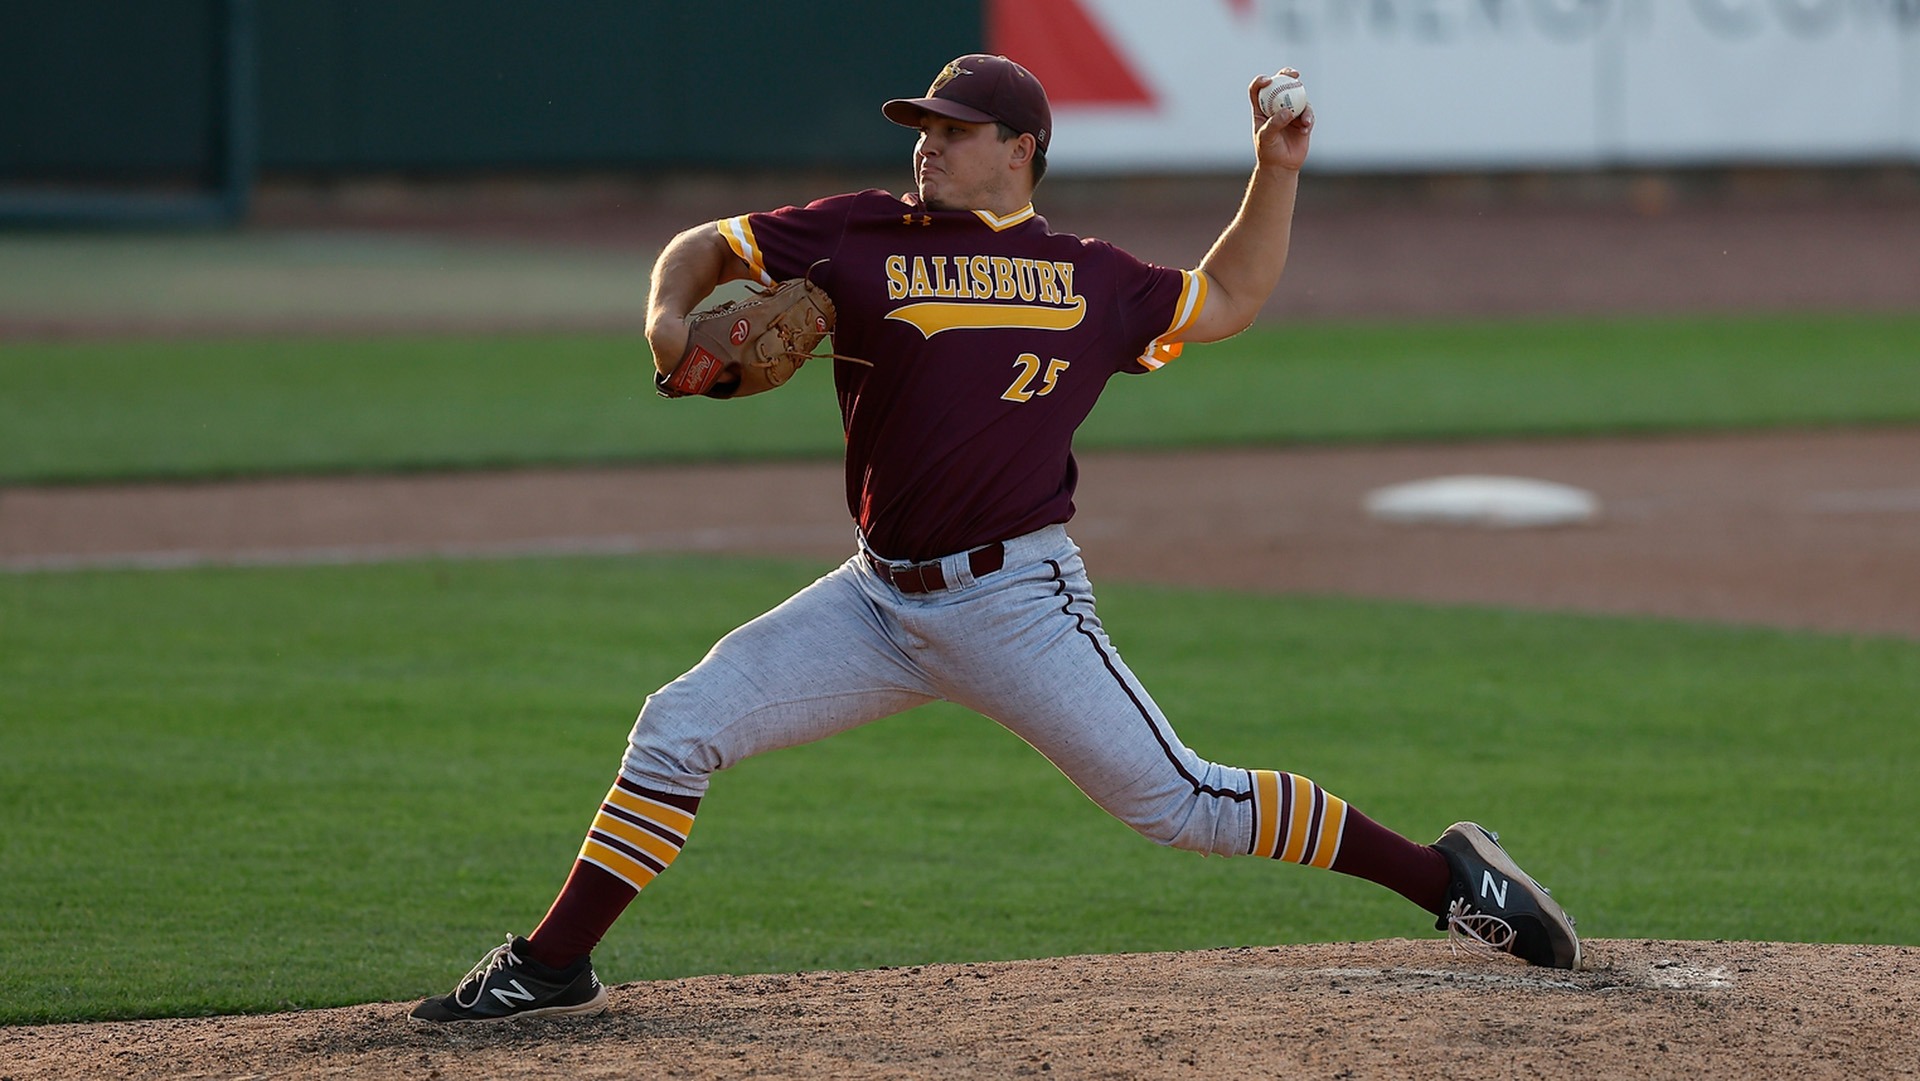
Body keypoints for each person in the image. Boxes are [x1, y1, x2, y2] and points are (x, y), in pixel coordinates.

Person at [409, 53, 1579, 1024]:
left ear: (1019, 148)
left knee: (1183, 804)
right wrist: (668, 319)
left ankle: (1449, 875)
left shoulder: (1089, 279)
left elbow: (1224, 301)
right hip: (875, 603)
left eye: (955, 130)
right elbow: (704, 248)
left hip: (1016, 600)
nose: (929, 143)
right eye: (923, 125)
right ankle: (551, 964)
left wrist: (1273, 174)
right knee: (677, 727)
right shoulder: (857, 234)